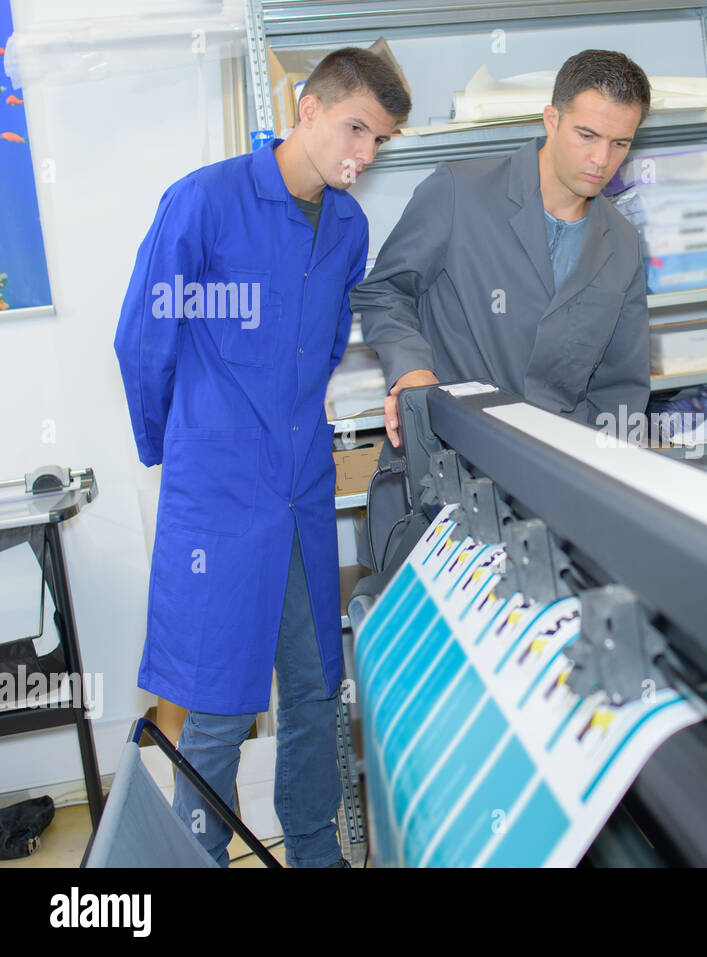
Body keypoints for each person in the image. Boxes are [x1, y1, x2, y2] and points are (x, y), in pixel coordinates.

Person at [113, 48, 410, 867]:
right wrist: (178, 447)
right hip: (216, 491)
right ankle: (198, 857)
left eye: (380, 140)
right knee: (215, 704)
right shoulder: (203, 204)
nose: (364, 153)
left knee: (315, 687)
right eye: (355, 127)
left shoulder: (350, 228)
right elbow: (144, 341)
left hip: (301, 490)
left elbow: (311, 358)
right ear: (306, 109)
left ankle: (314, 848)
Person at [350, 49, 651, 570]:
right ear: (551, 119)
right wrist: (411, 368)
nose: (602, 160)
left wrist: (612, 488)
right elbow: (385, 291)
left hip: (554, 495)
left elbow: (620, 385)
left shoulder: (622, 243)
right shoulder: (458, 192)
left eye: (620, 143)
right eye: (587, 135)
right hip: (441, 477)